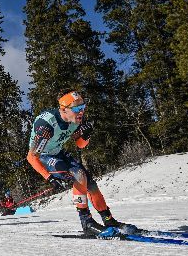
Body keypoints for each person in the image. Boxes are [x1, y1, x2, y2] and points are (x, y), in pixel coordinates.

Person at [26, 90, 131, 236]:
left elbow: (80, 144)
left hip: (58, 152)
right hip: (43, 156)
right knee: (79, 175)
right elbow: (31, 157)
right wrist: (48, 177)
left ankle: (109, 220)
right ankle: (86, 223)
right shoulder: (46, 125)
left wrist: (86, 136)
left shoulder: (76, 119)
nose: (81, 111)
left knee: (90, 183)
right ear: (64, 109)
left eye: (83, 107)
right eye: (76, 109)